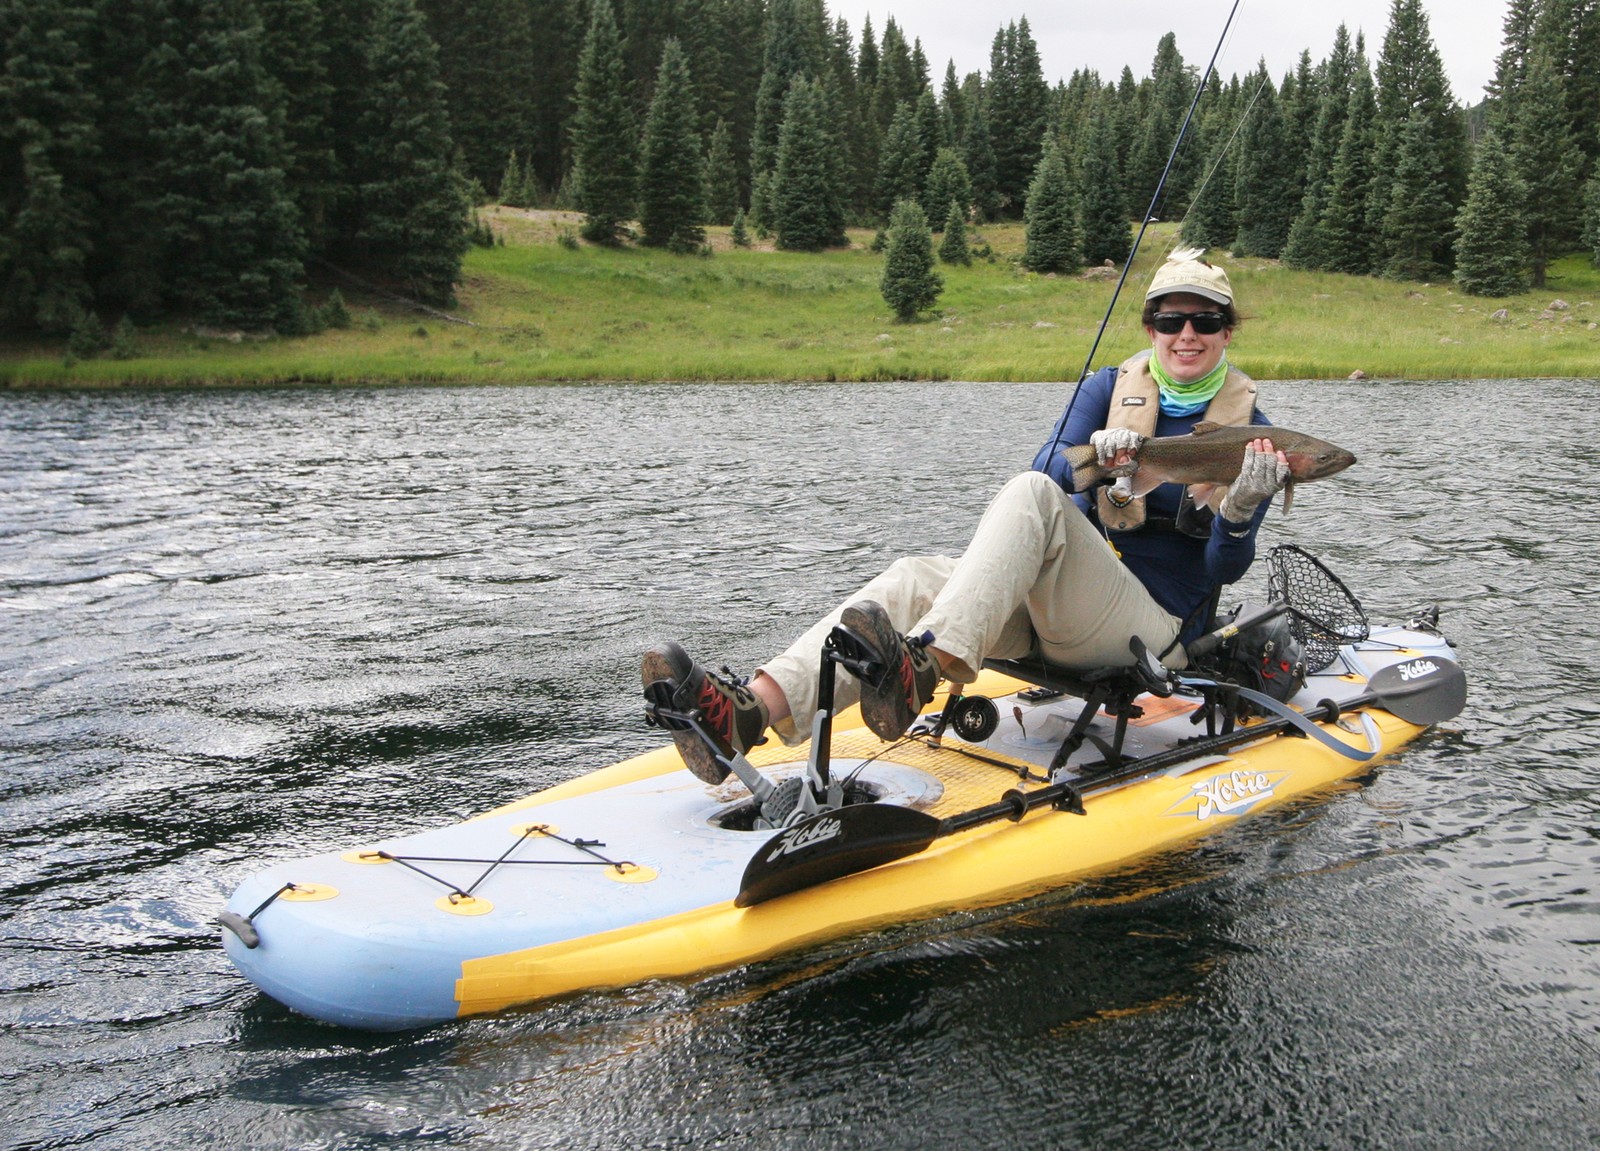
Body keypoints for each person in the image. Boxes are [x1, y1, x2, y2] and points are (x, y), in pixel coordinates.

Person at [643, 249, 1291, 784]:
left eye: (1205, 322)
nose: (1186, 334)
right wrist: (1097, 456)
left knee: (1031, 496)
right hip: (1061, 612)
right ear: (1149, 327)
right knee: (915, 578)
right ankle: (749, 715)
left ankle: (922, 666)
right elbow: (1048, 460)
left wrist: (1237, 510)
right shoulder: (1107, 388)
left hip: (1150, 630)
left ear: (1228, 332)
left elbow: (1224, 569)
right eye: (1170, 317)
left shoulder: (1253, 434)